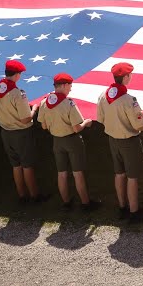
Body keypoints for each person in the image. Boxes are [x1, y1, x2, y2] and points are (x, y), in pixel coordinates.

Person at [94, 62, 143, 222]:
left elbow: (100, 119)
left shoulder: (103, 95)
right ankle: (134, 211)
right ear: (126, 77)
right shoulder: (129, 100)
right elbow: (139, 125)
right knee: (132, 176)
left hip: (112, 140)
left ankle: (122, 207)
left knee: (119, 174)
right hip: (129, 142)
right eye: (130, 75)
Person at [38, 73, 101, 212]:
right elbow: (76, 128)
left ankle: (66, 202)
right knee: (77, 172)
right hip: (72, 140)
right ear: (64, 85)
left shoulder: (44, 102)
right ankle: (86, 203)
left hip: (56, 141)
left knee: (61, 173)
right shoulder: (68, 103)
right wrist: (86, 123)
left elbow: (43, 126)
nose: (70, 89)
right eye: (70, 86)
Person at [0, 59, 48, 204]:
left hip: (6, 132)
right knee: (27, 165)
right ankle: (34, 195)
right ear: (17, 74)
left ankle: (22, 195)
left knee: (16, 165)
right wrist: (34, 109)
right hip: (21, 133)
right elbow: (26, 119)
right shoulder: (18, 93)